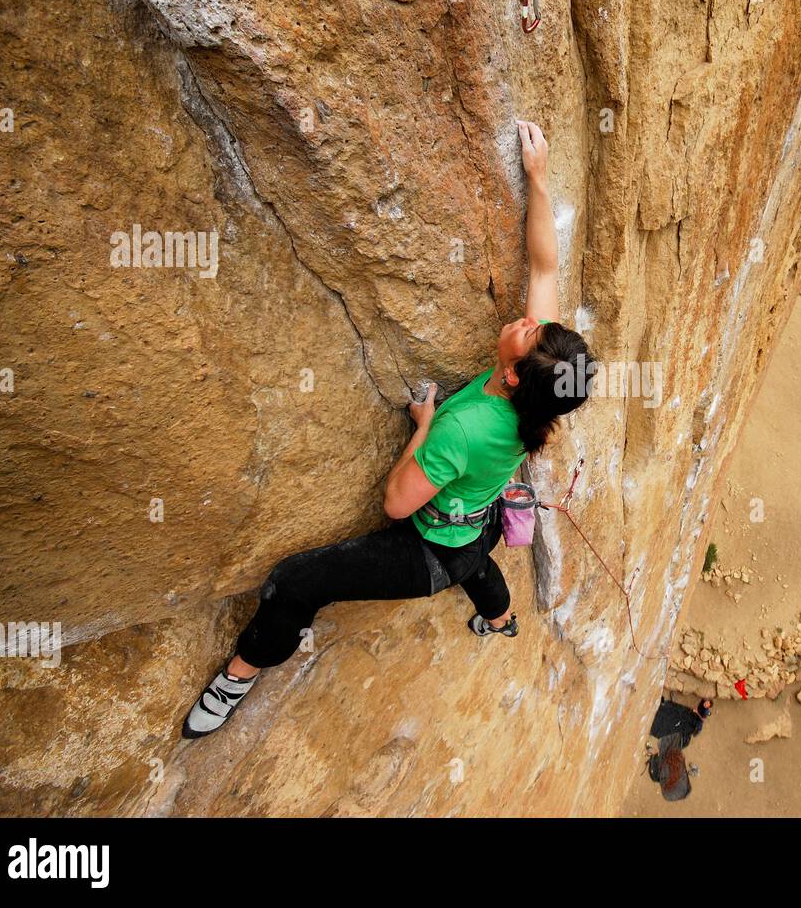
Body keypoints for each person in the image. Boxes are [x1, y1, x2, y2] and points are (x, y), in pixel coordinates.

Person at [182, 121, 597, 739]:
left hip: (427, 549)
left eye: (528, 331)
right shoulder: (539, 384)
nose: (523, 320)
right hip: (473, 523)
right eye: (535, 327)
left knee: (300, 581)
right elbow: (544, 265)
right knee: (478, 563)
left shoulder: (468, 428)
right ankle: (501, 619)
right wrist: (537, 178)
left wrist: (424, 428)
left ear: (513, 376)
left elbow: (396, 503)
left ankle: (237, 677)